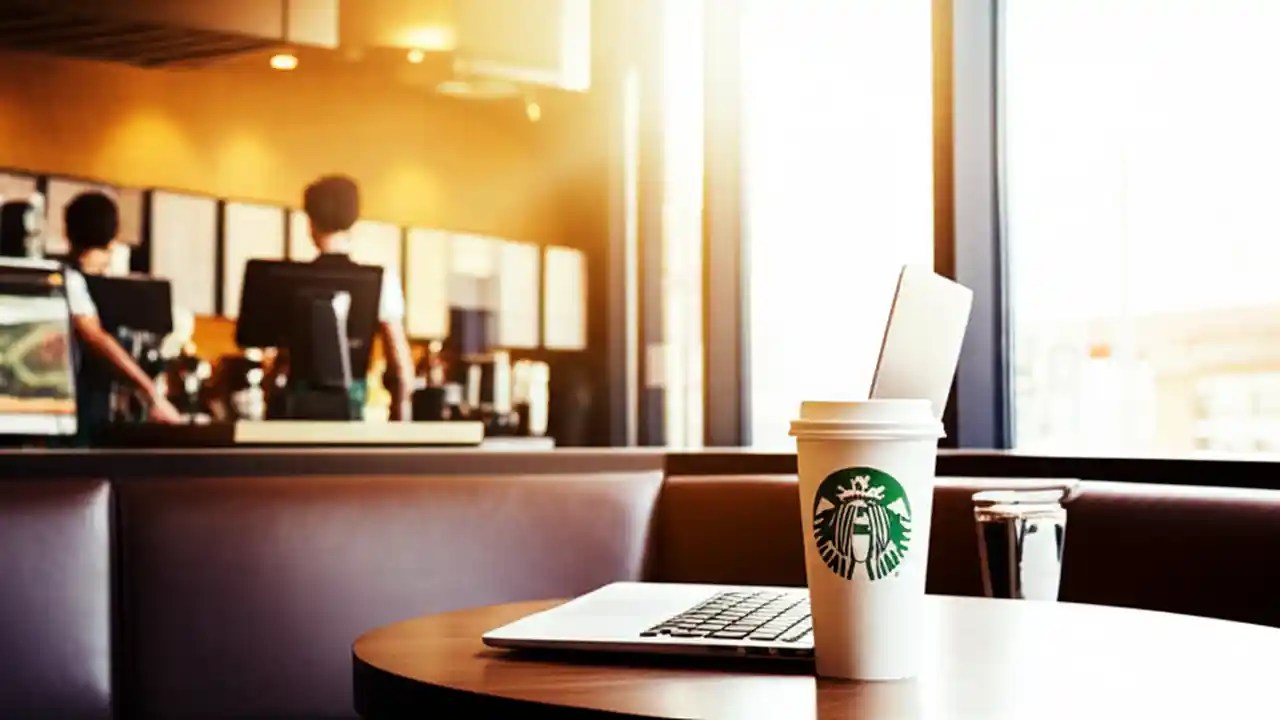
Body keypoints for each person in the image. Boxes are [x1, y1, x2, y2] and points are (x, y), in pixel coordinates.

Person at [61, 192, 181, 433]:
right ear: (113, 238)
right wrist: (150, 392)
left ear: (67, 233)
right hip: (80, 412)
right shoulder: (69, 280)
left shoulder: (76, 279)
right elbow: (95, 337)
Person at [302, 175, 414, 421]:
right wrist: (401, 421)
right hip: (351, 402)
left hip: (296, 407)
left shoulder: (291, 278)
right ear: (355, 222)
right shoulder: (380, 280)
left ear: (310, 223)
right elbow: (400, 368)